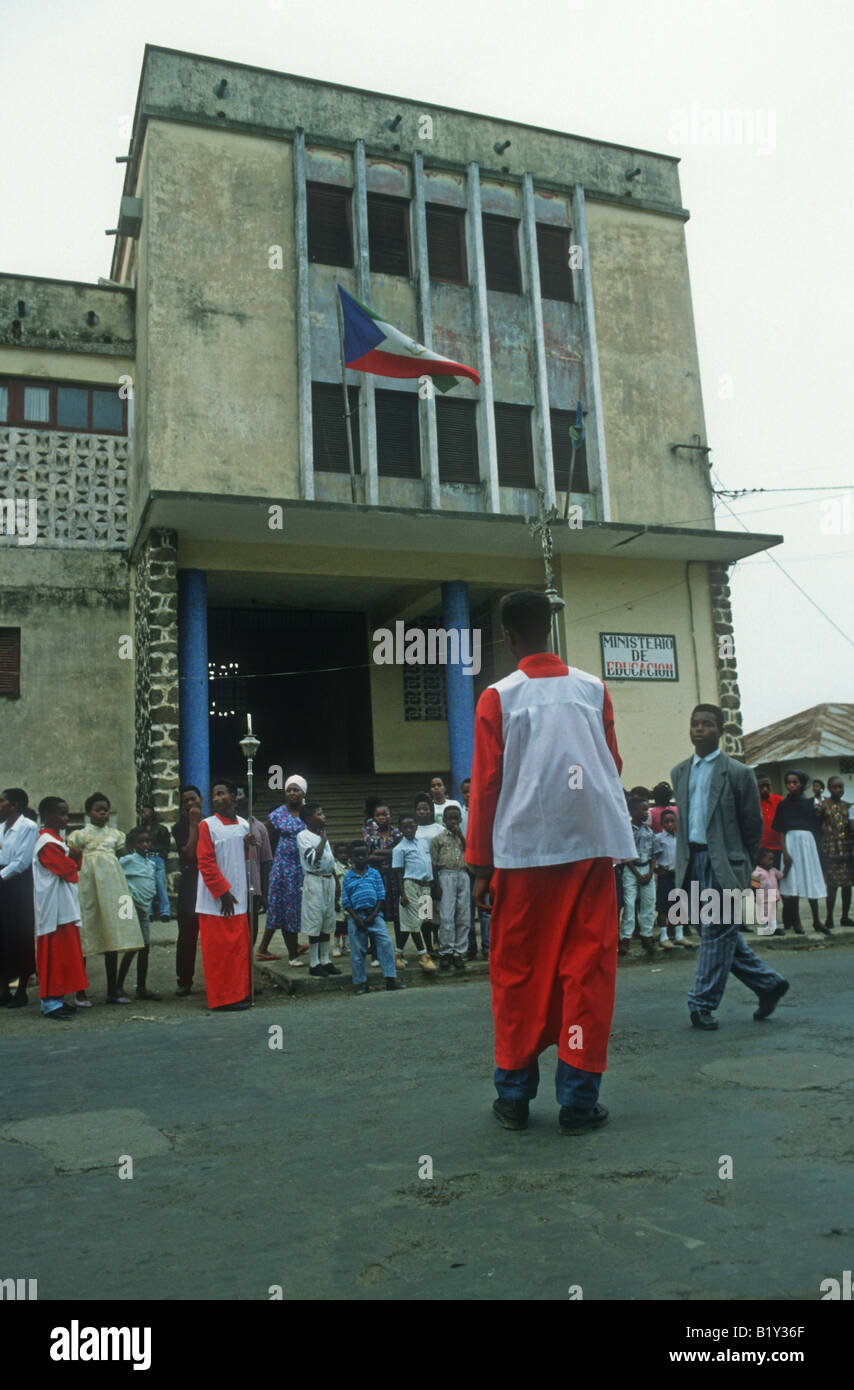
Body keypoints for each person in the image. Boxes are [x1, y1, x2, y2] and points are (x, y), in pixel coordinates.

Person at [466, 589, 637, 1136]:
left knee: (519, 974)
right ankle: (578, 1103)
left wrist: (479, 866)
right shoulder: (592, 689)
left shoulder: (498, 697)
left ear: (508, 636)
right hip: (588, 851)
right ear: (550, 628)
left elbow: (486, 787)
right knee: (586, 974)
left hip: (522, 856)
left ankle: (514, 1097)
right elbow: (610, 763)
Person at [672, 704, 789, 1031]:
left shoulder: (737, 773)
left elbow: (752, 826)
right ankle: (768, 984)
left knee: (717, 930)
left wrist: (741, 863)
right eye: (695, 723)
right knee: (712, 930)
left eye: (707, 724)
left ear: (720, 731)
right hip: (691, 862)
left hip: (724, 863)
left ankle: (701, 1003)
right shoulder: (680, 772)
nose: (699, 729)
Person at [67, 793, 144, 1005]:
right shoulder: (79, 836)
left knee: (115, 932)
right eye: (98, 810)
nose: (103, 813)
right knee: (86, 935)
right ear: (88, 813)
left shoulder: (116, 836)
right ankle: (80, 990)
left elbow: (126, 861)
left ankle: (113, 989)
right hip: (88, 890)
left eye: (106, 810)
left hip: (115, 890)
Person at [195, 780, 252, 1011]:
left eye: (221, 794)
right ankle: (222, 998)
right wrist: (222, 892)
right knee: (219, 952)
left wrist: (248, 846)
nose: (217, 799)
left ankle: (239, 993)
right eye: (214, 795)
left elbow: (241, 859)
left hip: (238, 895)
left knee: (237, 950)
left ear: (233, 796)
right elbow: (206, 862)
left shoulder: (244, 825)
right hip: (216, 899)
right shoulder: (207, 825)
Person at [32, 797, 89, 1020]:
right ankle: (49, 1003)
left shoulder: (57, 840)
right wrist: (74, 857)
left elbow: (72, 866)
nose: (65, 818)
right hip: (52, 908)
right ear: (46, 815)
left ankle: (58, 997)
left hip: (63, 905)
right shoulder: (46, 842)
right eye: (60, 814)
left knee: (64, 955)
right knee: (53, 954)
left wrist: (74, 858)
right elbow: (67, 870)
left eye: (66, 814)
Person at [342, 841, 405, 995]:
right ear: (351, 858)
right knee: (358, 951)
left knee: (386, 943)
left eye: (364, 854)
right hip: (356, 918)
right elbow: (346, 901)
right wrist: (357, 918)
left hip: (375, 916)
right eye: (357, 855)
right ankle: (361, 983)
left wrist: (373, 915)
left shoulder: (374, 874)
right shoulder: (348, 877)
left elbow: (381, 896)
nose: (361, 858)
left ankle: (391, 979)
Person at [771, 769, 827, 934]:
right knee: (793, 883)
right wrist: (785, 853)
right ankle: (797, 922)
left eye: (795, 782)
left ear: (801, 784)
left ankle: (816, 920)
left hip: (807, 845)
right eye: (788, 782)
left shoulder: (810, 804)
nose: (791, 785)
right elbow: (781, 830)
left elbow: (817, 828)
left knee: (810, 880)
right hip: (791, 843)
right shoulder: (783, 804)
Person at [262, 776, 308, 965]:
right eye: (289, 789)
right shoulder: (278, 814)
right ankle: (290, 952)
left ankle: (293, 945)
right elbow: (269, 838)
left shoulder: (308, 813)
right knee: (283, 907)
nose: (292, 793)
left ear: (303, 793)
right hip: (283, 868)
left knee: (295, 908)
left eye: (296, 790)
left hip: (302, 868)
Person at [0, 787, 38, 1008]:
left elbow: (22, 862)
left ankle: (22, 990)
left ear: (13, 805)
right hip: (3, 883)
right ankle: (3, 989)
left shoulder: (28, 827)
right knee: (2, 935)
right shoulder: (2, 827)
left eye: (2, 801)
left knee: (20, 934)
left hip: (18, 885)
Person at [296, 803, 342, 978]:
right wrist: (322, 841)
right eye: (319, 814)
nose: (324, 817)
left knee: (327, 920)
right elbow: (313, 860)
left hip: (328, 881)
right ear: (309, 819)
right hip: (314, 881)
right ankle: (314, 962)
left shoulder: (322, 835)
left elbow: (329, 862)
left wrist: (336, 881)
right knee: (315, 920)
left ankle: (325, 959)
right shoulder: (303, 836)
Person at [116, 827, 160, 1000]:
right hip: (128, 906)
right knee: (132, 946)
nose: (145, 845)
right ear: (134, 845)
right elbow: (115, 872)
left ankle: (141, 988)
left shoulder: (151, 863)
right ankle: (118, 986)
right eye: (140, 842)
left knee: (145, 948)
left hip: (144, 908)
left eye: (147, 841)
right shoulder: (128, 860)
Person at [390, 815, 436, 972]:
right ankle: (423, 956)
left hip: (425, 887)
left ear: (416, 827)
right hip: (410, 885)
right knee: (413, 921)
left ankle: (397, 954)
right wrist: (402, 894)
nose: (409, 830)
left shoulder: (423, 843)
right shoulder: (399, 849)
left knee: (423, 920)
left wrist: (433, 885)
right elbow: (397, 873)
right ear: (400, 829)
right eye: (405, 827)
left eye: (411, 826)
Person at [362, 805, 405, 966]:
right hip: (376, 878)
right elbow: (368, 857)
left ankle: (399, 952)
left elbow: (401, 853)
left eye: (385, 814)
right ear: (374, 818)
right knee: (376, 915)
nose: (382, 818)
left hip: (395, 878)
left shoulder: (398, 833)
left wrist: (379, 853)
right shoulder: (369, 834)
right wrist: (390, 852)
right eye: (378, 815)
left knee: (398, 916)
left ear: (390, 815)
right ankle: (375, 953)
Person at [431, 804, 471, 970]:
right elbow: (433, 863)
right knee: (446, 916)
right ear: (444, 820)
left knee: (463, 915)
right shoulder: (438, 839)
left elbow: (471, 851)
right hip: (445, 875)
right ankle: (446, 951)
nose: (453, 821)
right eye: (450, 818)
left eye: (456, 818)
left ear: (460, 819)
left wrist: (461, 835)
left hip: (462, 874)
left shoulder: (465, 837)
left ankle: (458, 952)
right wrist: (436, 885)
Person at [172, 785, 202, 996]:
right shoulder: (180, 827)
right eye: (186, 801)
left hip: (209, 881)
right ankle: (184, 980)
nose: (191, 804)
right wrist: (193, 825)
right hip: (190, 882)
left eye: (193, 799)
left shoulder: (212, 822)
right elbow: (189, 854)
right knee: (187, 934)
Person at [619, 797, 657, 957]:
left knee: (649, 902)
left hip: (647, 868)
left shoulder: (649, 831)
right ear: (633, 811)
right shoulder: (627, 830)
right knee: (629, 904)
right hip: (631, 869)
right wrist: (637, 874)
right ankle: (625, 938)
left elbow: (654, 854)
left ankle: (646, 935)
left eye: (647, 809)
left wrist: (649, 872)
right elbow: (626, 856)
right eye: (643, 809)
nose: (646, 813)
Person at [235, 788, 272, 950]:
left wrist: (264, 892)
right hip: (232, 887)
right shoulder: (227, 825)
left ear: (250, 799)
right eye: (233, 794)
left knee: (251, 929)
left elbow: (265, 862)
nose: (235, 798)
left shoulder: (259, 828)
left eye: (240, 794)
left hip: (253, 887)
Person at [816, 777, 853, 930]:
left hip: (847, 850)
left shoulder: (847, 806)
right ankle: (829, 917)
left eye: (841, 787)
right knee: (832, 885)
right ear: (829, 789)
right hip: (830, 850)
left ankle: (845, 916)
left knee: (848, 885)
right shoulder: (823, 806)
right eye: (835, 787)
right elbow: (816, 825)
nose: (839, 790)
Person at [654, 807, 693, 950]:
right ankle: (663, 936)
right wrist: (657, 870)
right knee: (663, 906)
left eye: (672, 821)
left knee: (680, 905)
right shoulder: (658, 838)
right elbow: (654, 857)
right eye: (667, 822)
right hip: (665, 876)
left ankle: (679, 935)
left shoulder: (681, 839)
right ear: (662, 824)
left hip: (679, 876)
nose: (670, 824)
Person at [414, 793, 442, 954]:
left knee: (437, 911)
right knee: (425, 912)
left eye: (425, 809)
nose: (422, 812)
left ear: (431, 811)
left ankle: (437, 940)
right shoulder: (413, 829)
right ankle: (428, 947)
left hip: (437, 874)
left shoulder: (439, 829)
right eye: (419, 809)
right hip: (421, 877)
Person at [138, 804, 172, 922]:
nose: (144, 815)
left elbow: (166, 844)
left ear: (152, 813)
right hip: (145, 859)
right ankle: (149, 912)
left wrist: (162, 854)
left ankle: (165, 912)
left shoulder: (160, 829)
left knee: (160, 884)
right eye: (142, 812)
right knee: (147, 885)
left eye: (146, 812)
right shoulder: (140, 830)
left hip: (157, 859)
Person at [752, 847, 784, 936]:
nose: (772, 862)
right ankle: (765, 929)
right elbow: (754, 886)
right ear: (761, 860)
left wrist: (787, 867)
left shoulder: (773, 870)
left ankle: (774, 927)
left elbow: (781, 875)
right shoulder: (757, 873)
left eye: (772, 860)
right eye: (769, 859)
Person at [756, 776, 784, 870]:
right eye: (761, 786)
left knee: (776, 875)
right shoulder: (752, 803)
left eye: (767, 786)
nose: (765, 789)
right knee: (758, 878)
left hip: (778, 847)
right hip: (760, 849)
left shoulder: (779, 800)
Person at [331, 843, 350, 957]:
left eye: (346, 853)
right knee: (338, 925)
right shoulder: (334, 867)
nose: (343, 855)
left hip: (348, 900)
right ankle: (336, 946)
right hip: (339, 900)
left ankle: (346, 946)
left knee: (346, 924)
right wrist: (334, 901)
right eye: (340, 853)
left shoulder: (351, 867)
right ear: (335, 855)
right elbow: (334, 885)